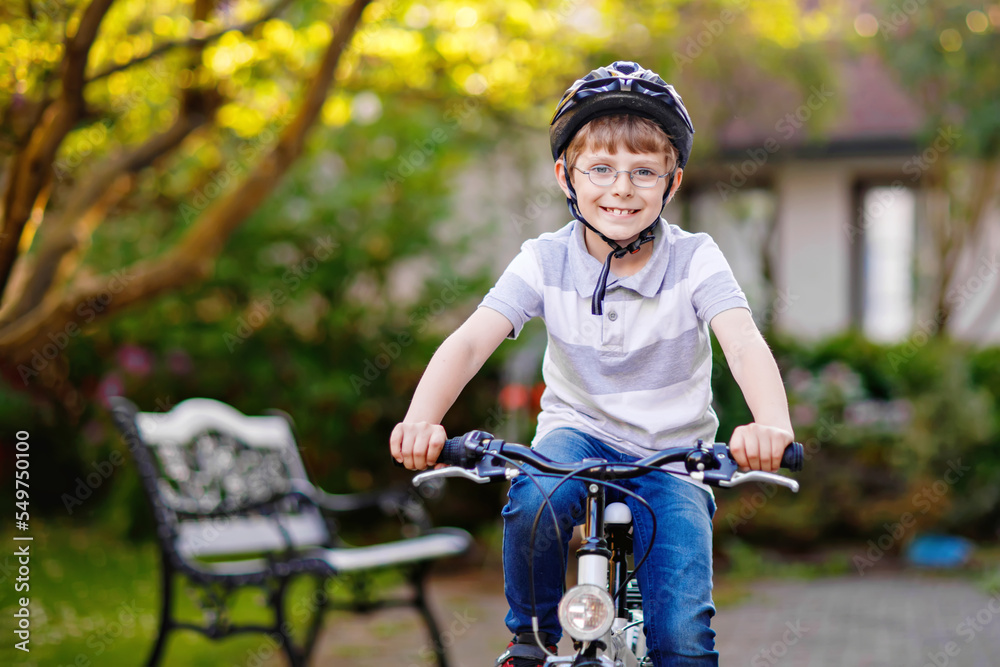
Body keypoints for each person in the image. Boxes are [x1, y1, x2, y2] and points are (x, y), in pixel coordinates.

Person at [390, 61, 795, 667]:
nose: (621, 188)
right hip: (577, 433)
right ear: (565, 175)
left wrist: (771, 425)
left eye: (643, 171)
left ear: (672, 183)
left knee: (683, 636)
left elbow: (740, 340)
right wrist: (422, 421)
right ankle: (529, 640)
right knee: (537, 495)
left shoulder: (695, 259)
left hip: (674, 452)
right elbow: (472, 341)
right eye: (600, 169)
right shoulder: (544, 259)